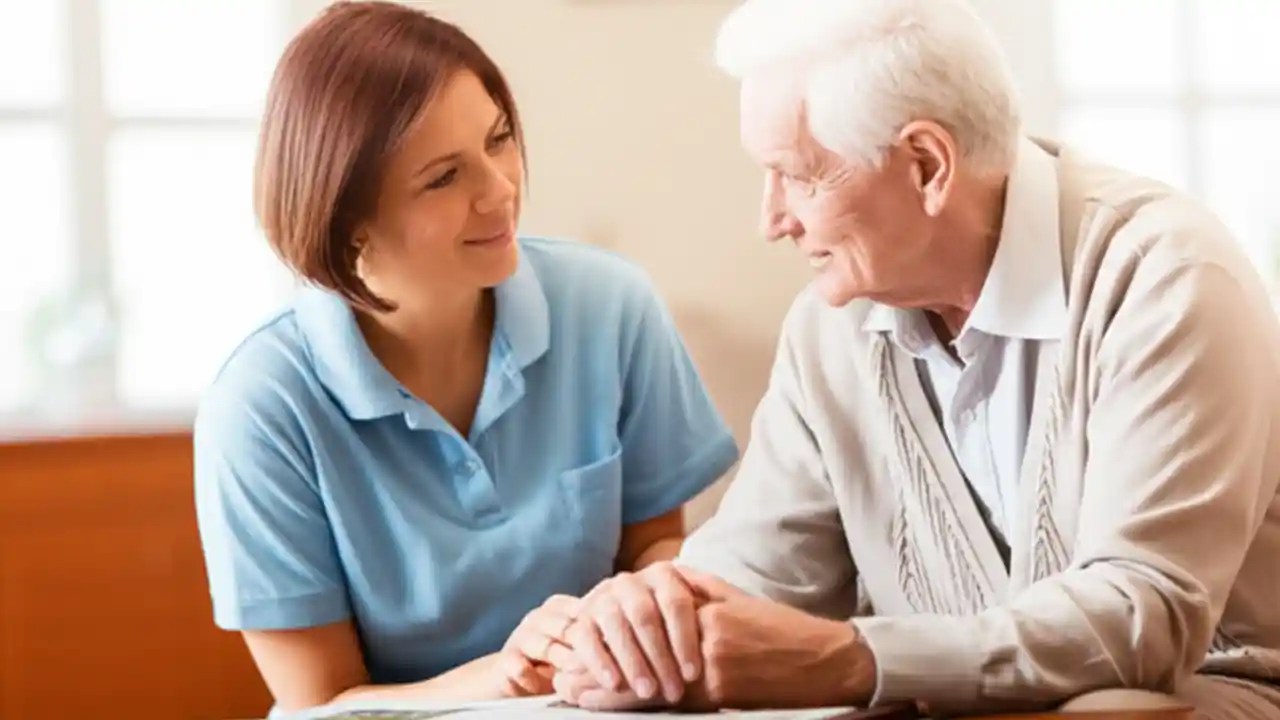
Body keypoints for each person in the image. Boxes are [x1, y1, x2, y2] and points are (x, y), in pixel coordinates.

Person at [551, 1, 1280, 717]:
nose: (772, 220)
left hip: (1205, 693)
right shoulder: (831, 326)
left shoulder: (1165, 277)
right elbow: (756, 574)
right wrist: (649, 620)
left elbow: (1142, 618)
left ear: (927, 164)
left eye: (799, 177)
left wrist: (852, 661)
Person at [191, 1, 738, 714]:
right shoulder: (262, 404)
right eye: (443, 177)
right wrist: (508, 673)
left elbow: (654, 547)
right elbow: (322, 702)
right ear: (348, 219)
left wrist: (638, 615)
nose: (501, 189)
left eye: (500, 139)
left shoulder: (611, 307)